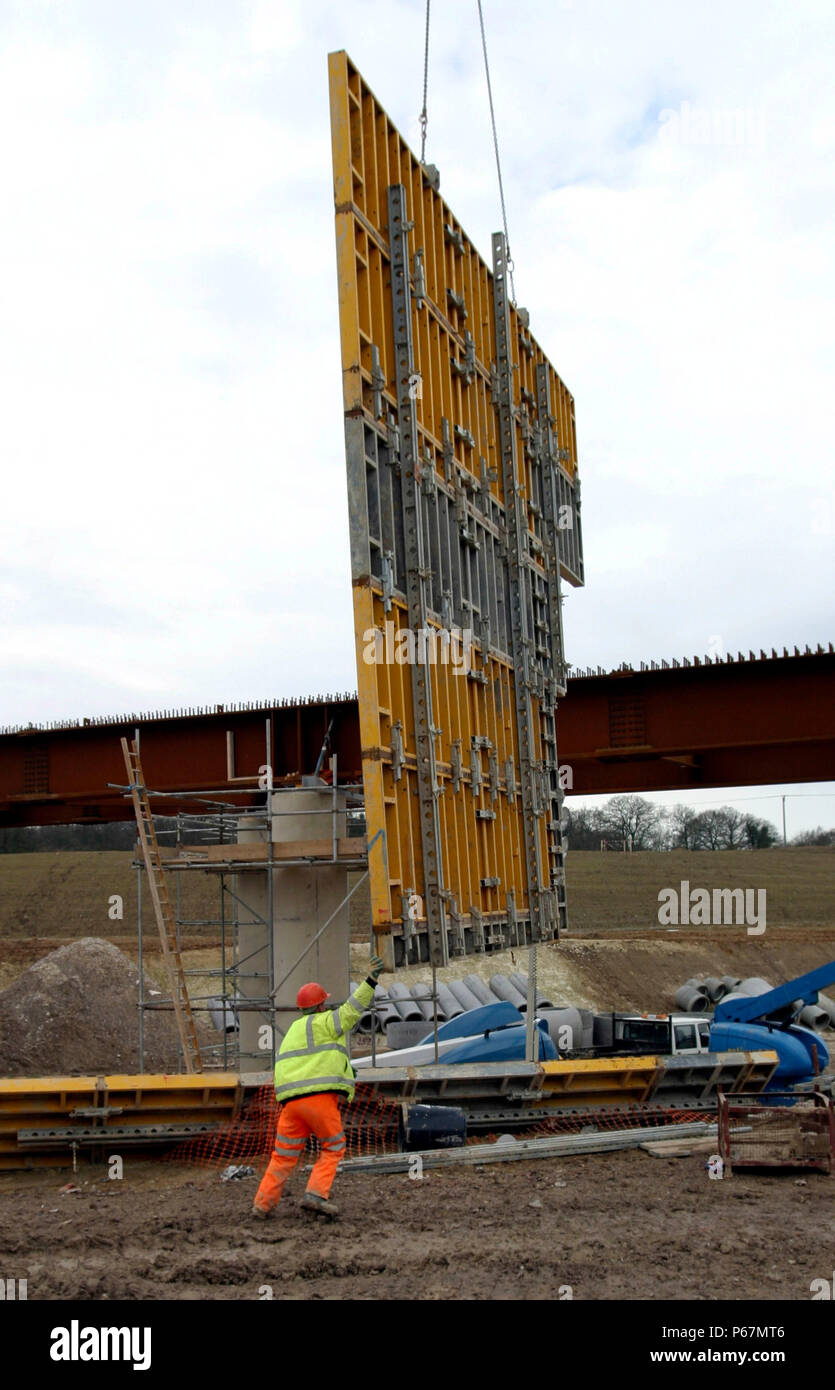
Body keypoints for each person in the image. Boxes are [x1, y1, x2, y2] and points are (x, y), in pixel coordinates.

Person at [252, 954, 386, 1220]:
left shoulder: (292, 1032)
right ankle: (315, 1195)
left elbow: (312, 1061)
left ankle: (262, 1205)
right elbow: (352, 1009)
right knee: (334, 1147)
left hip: (290, 1105)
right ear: (322, 1005)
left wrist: (344, 1069)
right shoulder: (325, 1023)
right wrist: (371, 980)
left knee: (283, 1155)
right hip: (319, 1102)